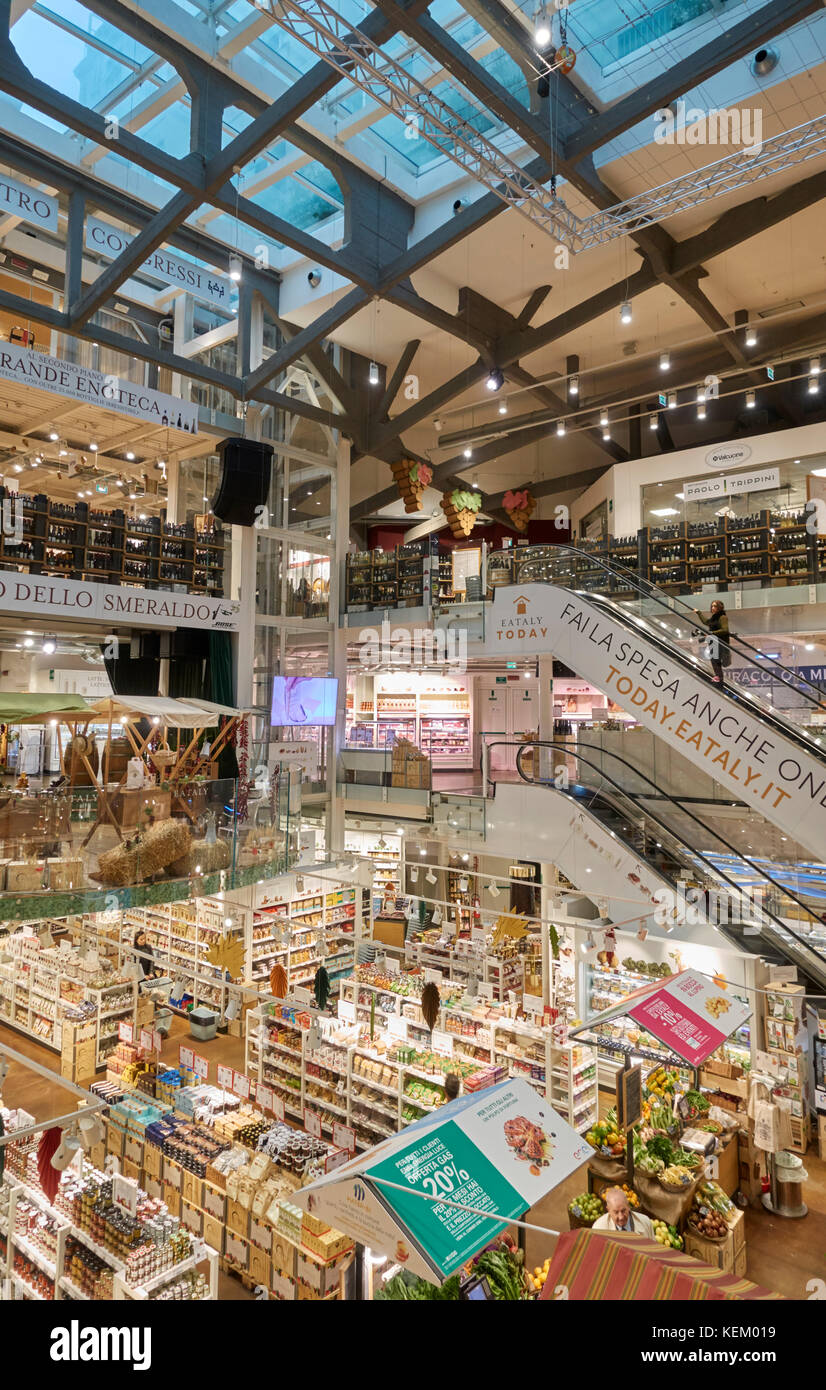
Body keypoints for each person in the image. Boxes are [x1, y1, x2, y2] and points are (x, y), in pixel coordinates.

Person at [705, 599, 730, 684]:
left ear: (719, 607)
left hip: (719, 642)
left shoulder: (722, 617)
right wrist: (698, 613)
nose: (713, 607)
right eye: (712, 606)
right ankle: (718, 677)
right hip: (714, 642)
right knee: (714, 660)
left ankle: (719, 678)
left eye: (715, 606)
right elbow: (706, 622)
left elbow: (725, 630)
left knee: (716, 660)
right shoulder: (714, 618)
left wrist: (712, 633)